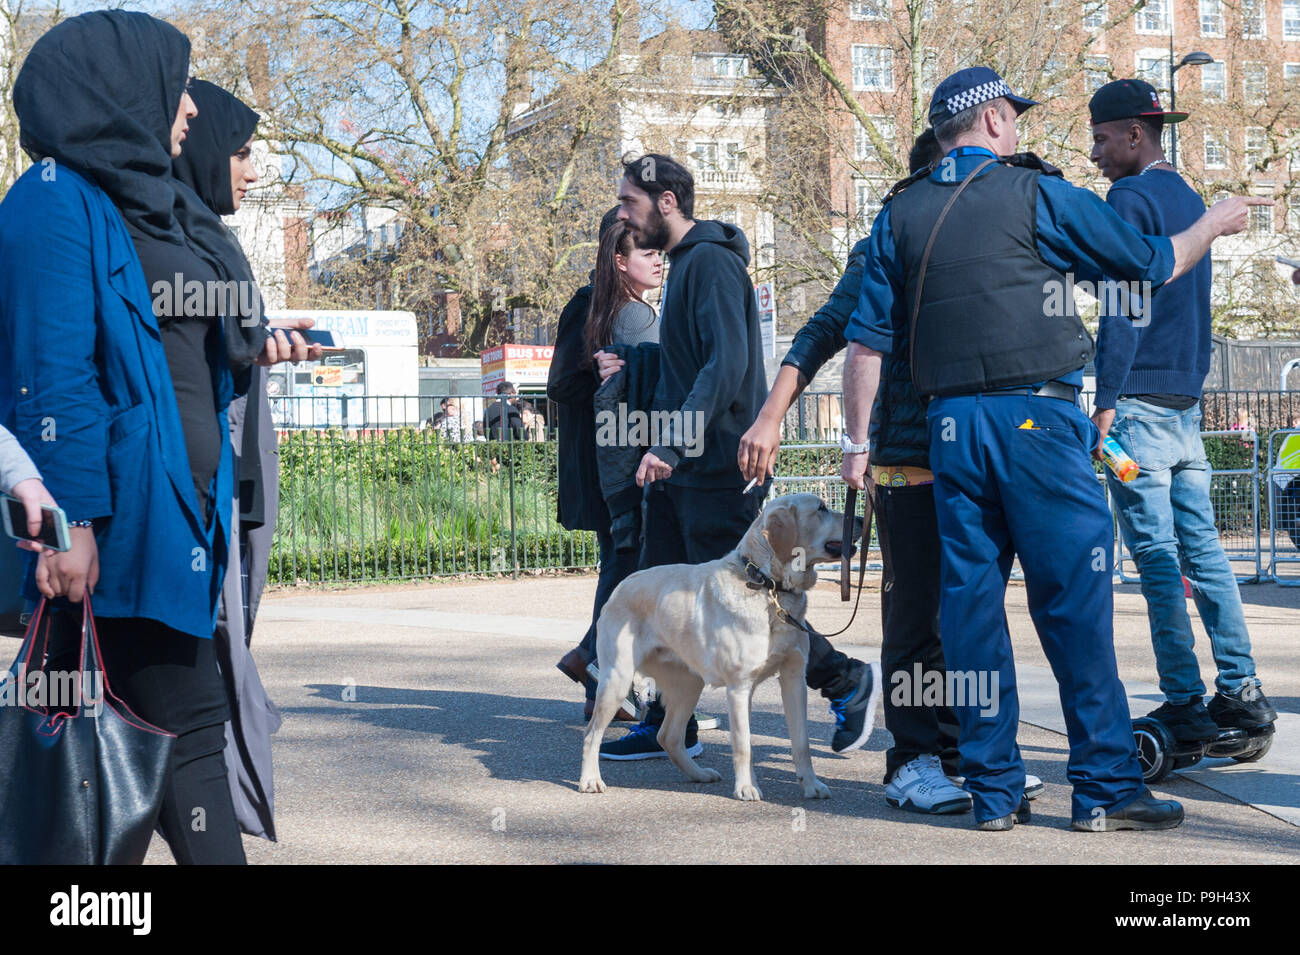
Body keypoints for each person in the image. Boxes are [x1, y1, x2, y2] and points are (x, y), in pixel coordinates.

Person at [841, 66, 1267, 831]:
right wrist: (1217, 223)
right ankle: (1105, 788)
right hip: (1038, 422)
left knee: (969, 612)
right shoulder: (1038, 193)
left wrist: (853, 444)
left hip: (949, 430)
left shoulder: (899, 213)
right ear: (998, 121)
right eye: (1017, 118)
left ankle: (995, 792)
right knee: (1073, 602)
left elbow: (865, 346)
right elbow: (1152, 264)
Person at [0, 10, 319, 864]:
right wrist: (73, 528)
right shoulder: (53, 199)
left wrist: (253, 338)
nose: (187, 111)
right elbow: (53, 375)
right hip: (117, 537)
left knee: (146, 758)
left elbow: (173, 341)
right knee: (176, 739)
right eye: (175, 88)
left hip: (173, 526)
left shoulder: (136, 199)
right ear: (119, 90)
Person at [739, 129, 1038, 814]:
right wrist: (771, 414)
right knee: (917, 616)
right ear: (941, 177)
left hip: (975, 453)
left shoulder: (987, 240)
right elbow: (822, 331)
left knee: (972, 614)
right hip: (910, 461)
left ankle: (968, 754)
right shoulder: (888, 241)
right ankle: (912, 759)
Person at [596, 153, 880, 761]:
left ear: (665, 202)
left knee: (754, 600)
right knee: (668, 599)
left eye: (629, 202)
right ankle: (671, 722)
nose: (623, 214)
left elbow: (727, 366)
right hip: (682, 469)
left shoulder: (713, 265)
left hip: (718, 465)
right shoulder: (686, 265)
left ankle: (844, 679)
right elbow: (692, 365)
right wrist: (637, 367)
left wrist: (672, 443)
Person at [1087, 79, 1277, 744]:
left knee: (1157, 559)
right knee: (1205, 554)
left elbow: (1123, 306)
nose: (1094, 154)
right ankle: (1243, 691)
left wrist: (1105, 402)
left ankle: (1184, 701)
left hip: (1136, 411)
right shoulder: (1192, 199)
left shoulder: (1130, 198)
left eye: (1103, 139)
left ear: (1134, 135)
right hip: (1186, 413)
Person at [171, 77, 286, 842]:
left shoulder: (209, 236)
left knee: (196, 703)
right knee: (194, 706)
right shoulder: (174, 234)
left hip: (227, 491)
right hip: (195, 503)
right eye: (241, 153)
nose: (251, 170)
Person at [551, 213, 661, 720]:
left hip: (610, 460)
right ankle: (598, 666)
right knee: (626, 567)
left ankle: (603, 681)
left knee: (621, 568)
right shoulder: (605, 308)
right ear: (618, 255)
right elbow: (561, 387)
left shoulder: (611, 305)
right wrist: (596, 370)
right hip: (614, 465)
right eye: (648, 249)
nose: (660, 257)